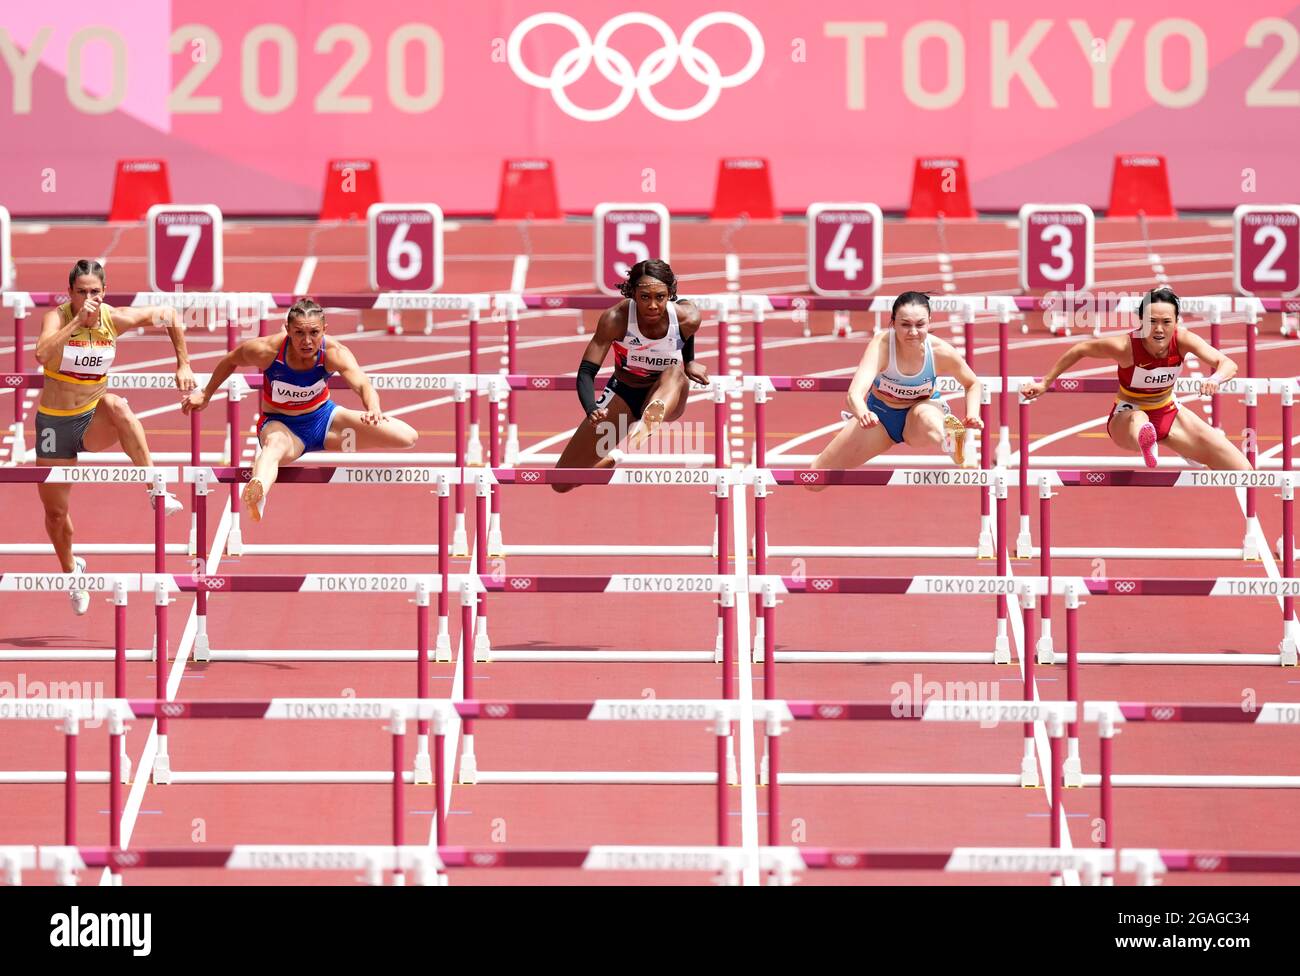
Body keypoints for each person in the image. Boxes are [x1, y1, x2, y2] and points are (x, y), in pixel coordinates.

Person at [34, 260, 194, 614]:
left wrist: (182, 362)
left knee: (118, 405)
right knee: (56, 515)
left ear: (104, 292)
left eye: (95, 292)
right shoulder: (58, 318)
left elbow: (169, 313)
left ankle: (156, 488)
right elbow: (42, 353)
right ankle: (72, 573)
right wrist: (77, 321)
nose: (89, 298)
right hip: (54, 425)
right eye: (81, 292)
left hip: (92, 420)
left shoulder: (114, 319)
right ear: (70, 293)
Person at [183, 297, 418, 519]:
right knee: (273, 448)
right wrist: (205, 394)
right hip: (282, 427)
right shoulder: (266, 351)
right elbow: (231, 360)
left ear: (324, 329)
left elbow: (362, 383)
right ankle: (258, 492)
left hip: (326, 422)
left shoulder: (334, 352)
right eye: (299, 333)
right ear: (287, 330)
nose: (307, 341)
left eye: (314, 333)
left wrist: (373, 408)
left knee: (406, 437)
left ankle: (271, 472)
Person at [1019, 287, 1250, 470]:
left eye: (1166, 322)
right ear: (1141, 320)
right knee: (1139, 418)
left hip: (1168, 412)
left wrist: (1215, 379)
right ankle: (1146, 440)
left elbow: (1228, 364)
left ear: (1176, 321)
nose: (1159, 329)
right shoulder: (1125, 346)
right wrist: (1045, 383)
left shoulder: (1183, 339)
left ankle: (1183, 446)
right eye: (1152, 321)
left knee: (1243, 470)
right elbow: (1080, 349)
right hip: (1127, 417)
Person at [552, 260, 709, 492]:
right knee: (560, 483)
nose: (653, 305)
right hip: (623, 394)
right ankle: (610, 459)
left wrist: (690, 362)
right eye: (645, 297)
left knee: (674, 373)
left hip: (668, 390)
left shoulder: (688, 317)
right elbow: (587, 371)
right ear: (633, 293)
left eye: (660, 297)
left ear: (670, 294)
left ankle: (651, 418)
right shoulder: (616, 319)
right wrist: (591, 407)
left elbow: (686, 332)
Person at [809, 291, 982, 482]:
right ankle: (949, 438)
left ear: (930, 321)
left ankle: (951, 440)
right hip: (880, 418)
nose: (913, 332)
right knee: (816, 478)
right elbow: (854, 394)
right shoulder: (882, 345)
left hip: (920, 414)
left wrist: (972, 414)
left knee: (927, 417)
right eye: (905, 325)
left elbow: (972, 383)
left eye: (920, 324)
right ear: (893, 322)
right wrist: (862, 413)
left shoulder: (941, 352)